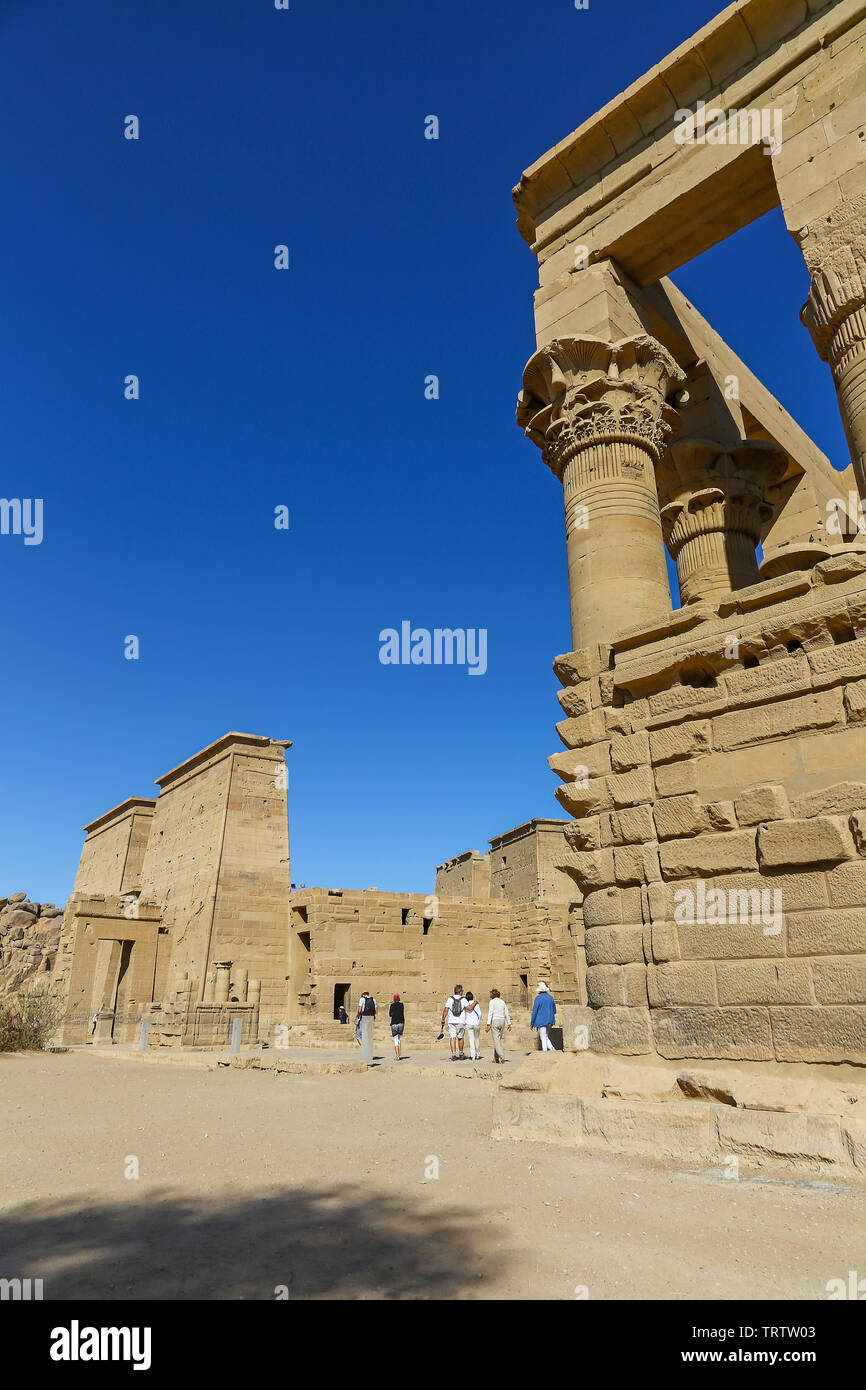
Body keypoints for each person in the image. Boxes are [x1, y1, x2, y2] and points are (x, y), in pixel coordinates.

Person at [530, 980, 557, 1052]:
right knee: (545, 1036)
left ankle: (544, 1051)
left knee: (543, 1037)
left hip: (541, 1021)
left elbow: (534, 1012)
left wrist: (532, 1023)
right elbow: (554, 1010)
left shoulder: (538, 998)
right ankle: (551, 1048)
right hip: (550, 1020)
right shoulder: (551, 998)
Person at [486, 989, 511, 1063]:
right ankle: (496, 1058)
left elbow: (490, 1013)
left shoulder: (492, 1002)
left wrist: (488, 1024)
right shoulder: (502, 1002)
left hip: (495, 1021)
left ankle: (501, 1056)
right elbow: (506, 1013)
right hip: (502, 1021)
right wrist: (509, 1023)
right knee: (498, 1040)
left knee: (496, 1041)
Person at [442, 985, 467, 1060]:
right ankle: (461, 1053)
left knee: (452, 1038)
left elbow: (446, 1010)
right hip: (461, 1021)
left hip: (451, 1021)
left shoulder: (450, 999)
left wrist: (443, 1019)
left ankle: (453, 1055)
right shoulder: (463, 999)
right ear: (460, 992)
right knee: (460, 1038)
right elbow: (469, 1008)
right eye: (462, 991)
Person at [464, 992, 482, 1060]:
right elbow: (479, 1013)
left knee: (471, 1040)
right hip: (476, 1023)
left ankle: (472, 1056)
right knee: (476, 1039)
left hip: (468, 1024)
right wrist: (479, 1021)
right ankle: (478, 1055)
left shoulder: (466, 1004)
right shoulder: (475, 1004)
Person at [389, 993, 405, 1059]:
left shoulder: (392, 1005)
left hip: (394, 1023)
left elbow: (390, 1014)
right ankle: (399, 1054)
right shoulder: (402, 1005)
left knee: (395, 1039)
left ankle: (397, 1056)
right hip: (401, 1023)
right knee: (398, 1038)